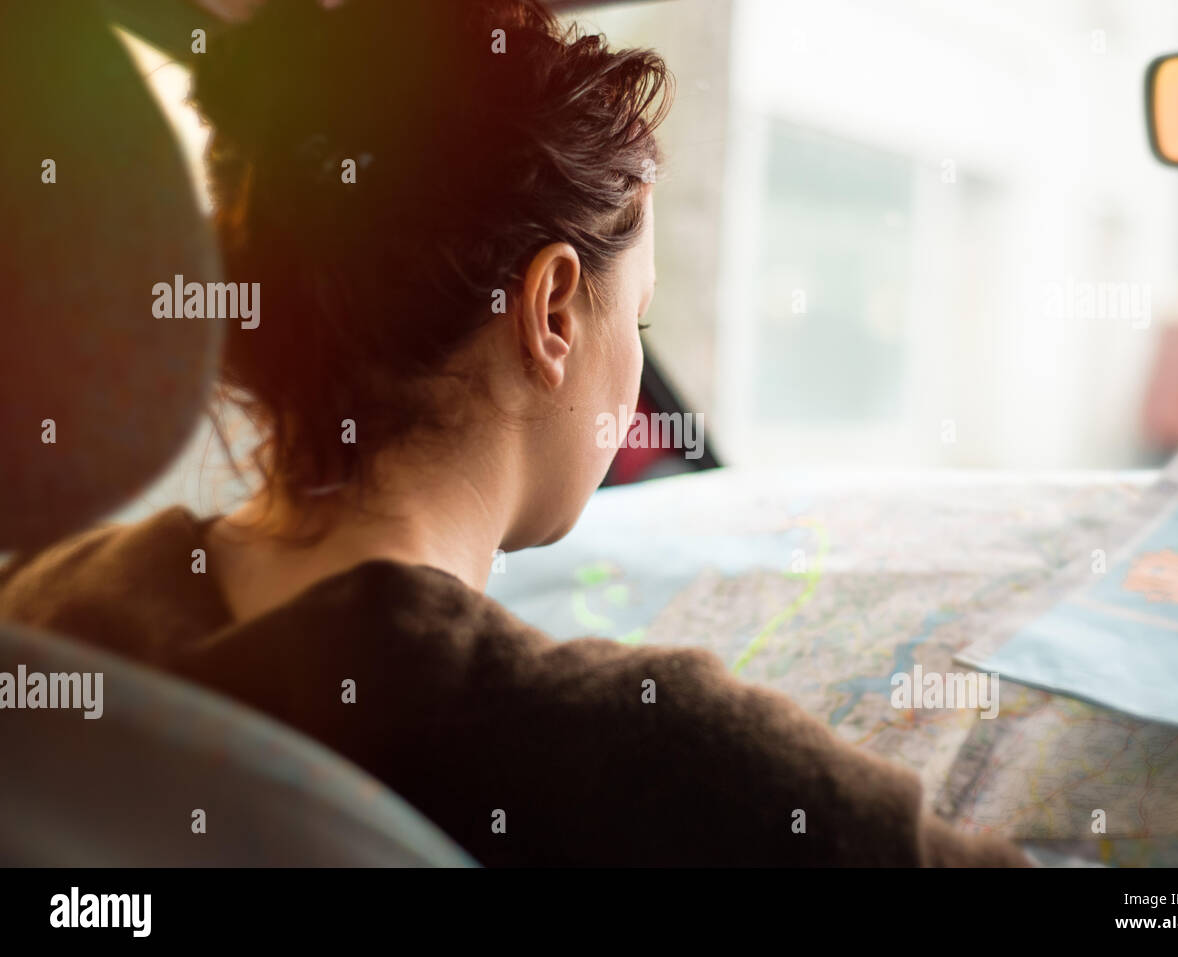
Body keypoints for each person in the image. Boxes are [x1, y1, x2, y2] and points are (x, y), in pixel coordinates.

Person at [0, 0, 1028, 866]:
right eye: (640, 319)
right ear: (550, 312)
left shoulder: (45, 619)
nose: (634, 368)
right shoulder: (659, 762)